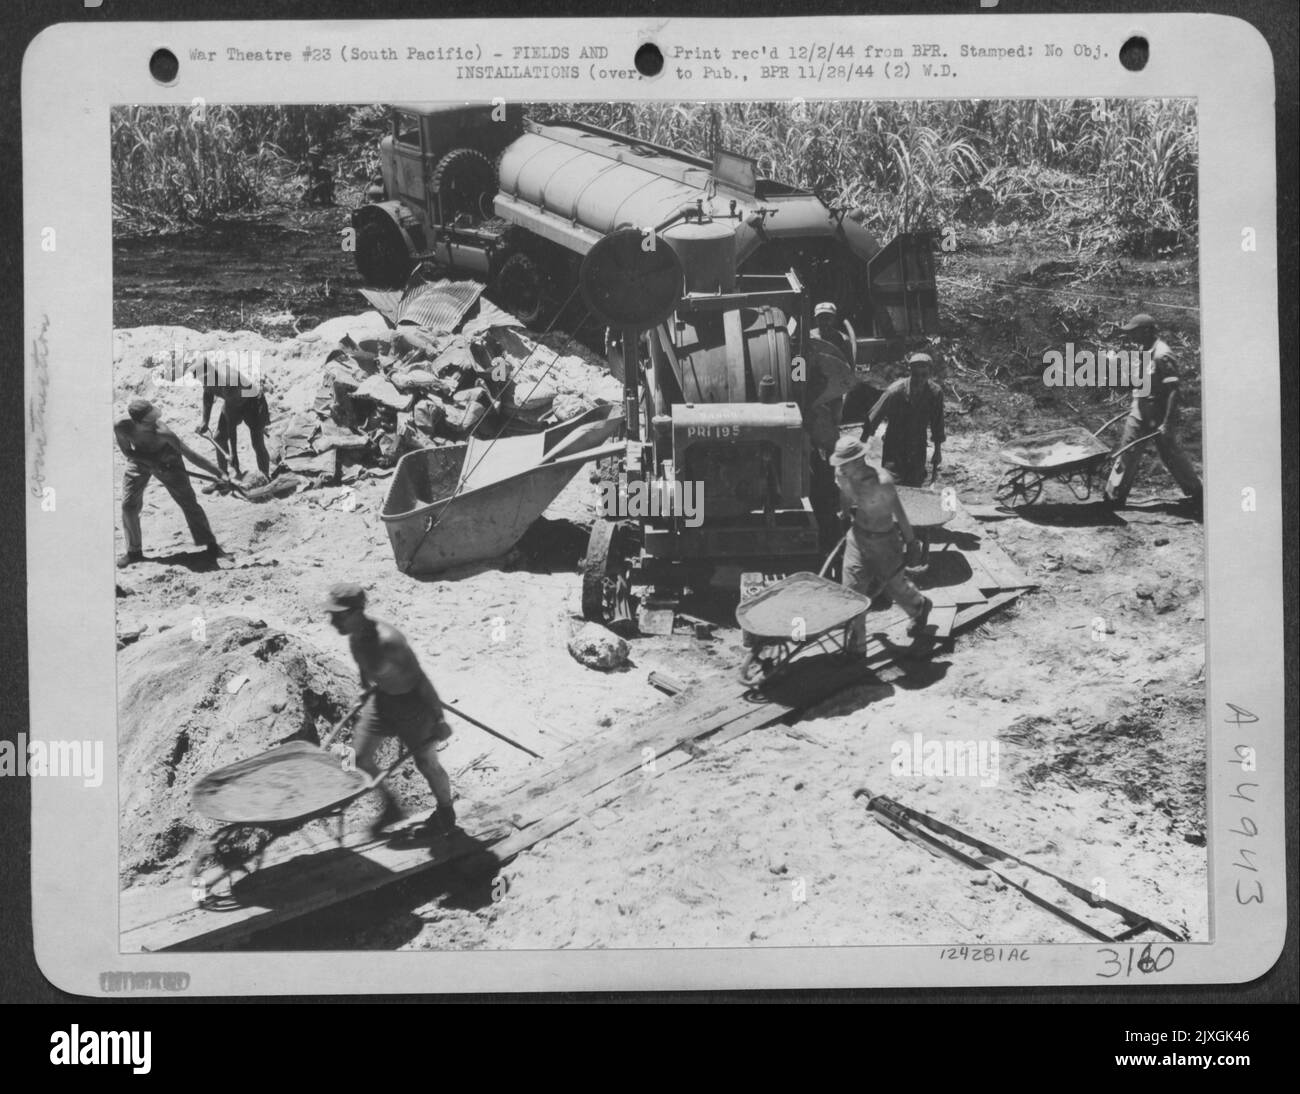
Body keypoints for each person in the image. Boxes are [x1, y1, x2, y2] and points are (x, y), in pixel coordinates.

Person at [323, 583, 457, 838]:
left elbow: (421, 680)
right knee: (359, 759)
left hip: (413, 706)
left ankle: (446, 812)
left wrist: (439, 719)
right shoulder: (354, 636)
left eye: (338, 615)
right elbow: (365, 665)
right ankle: (392, 807)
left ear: (356, 612)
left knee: (426, 763)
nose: (332, 622)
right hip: (381, 701)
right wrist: (365, 688)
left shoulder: (389, 642)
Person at [830, 437, 932, 651]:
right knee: (852, 591)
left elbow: (899, 513)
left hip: (884, 542)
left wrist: (912, 542)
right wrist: (845, 514)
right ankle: (857, 646)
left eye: (844, 462)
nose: (840, 467)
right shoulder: (842, 474)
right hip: (857, 538)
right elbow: (845, 496)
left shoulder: (882, 482)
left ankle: (919, 607)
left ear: (858, 461)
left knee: (895, 588)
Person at [1103, 313, 1203, 511]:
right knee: (1127, 452)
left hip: (1158, 413)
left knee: (1170, 455)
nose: (1131, 336)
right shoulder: (1144, 350)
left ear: (1147, 331)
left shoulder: (1162, 354)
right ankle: (1113, 498)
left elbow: (1174, 390)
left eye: (1135, 332)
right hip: (1140, 409)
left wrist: (1167, 422)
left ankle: (1198, 494)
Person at [114, 397, 227, 568]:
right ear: (137, 422)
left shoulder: (163, 433)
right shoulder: (121, 427)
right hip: (140, 460)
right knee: (128, 506)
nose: (155, 422)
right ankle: (134, 552)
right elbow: (128, 451)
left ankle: (211, 545)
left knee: (188, 502)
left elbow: (191, 455)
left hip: (168, 459)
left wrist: (219, 473)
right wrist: (151, 461)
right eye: (150, 420)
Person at [861, 352, 945, 486]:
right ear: (910, 372)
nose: (920, 379)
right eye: (916, 375)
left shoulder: (935, 393)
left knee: (915, 484)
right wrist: (860, 450)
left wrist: (937, 451)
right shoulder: (895, 392)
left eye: (924, 375)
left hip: (918, 446)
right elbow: (872, 420)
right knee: (893, 483)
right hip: (895, 447)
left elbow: (937, 424)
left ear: (930, 374)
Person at [198, 366, 271, 487]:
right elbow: (208, 394)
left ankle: (265, 478)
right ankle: (223, 478)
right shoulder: (207, 380)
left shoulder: (229, 383)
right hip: (232, 403)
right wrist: (205, 421)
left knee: (257, 443)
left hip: (253, 403)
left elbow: (231, 424)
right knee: (219, 438)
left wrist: (234, 454)